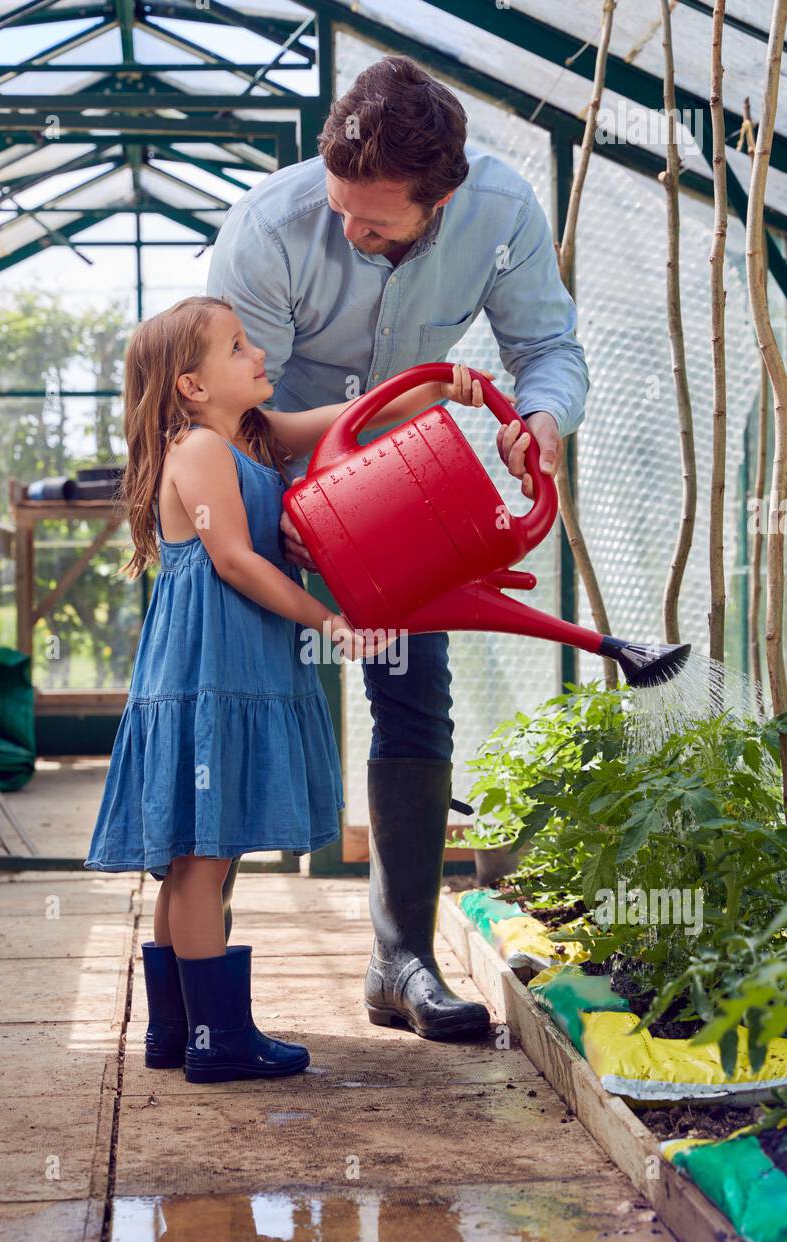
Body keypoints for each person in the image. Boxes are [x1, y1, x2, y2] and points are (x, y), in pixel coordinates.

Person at [205, 55, 590, 1042]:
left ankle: (399, 961)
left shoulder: (500, 213)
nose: (348, 229)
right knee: (238, 702)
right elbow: (227, 412)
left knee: (412, 689)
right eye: (338, 207)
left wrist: (537, 420)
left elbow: (548, 349)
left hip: (394, 479)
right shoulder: (268, 226)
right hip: (264, 467)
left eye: (373, 219)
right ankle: (201, 976)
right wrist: (327, 462)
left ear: (442, 195)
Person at [84, 293, 493, 1081]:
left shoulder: (255, 438)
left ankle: (176, 1033)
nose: (258, 355)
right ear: (192, 387)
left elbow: (357, 417)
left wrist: (441, 386)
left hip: (234, 665)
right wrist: (327, 620)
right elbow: (234, 560)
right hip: (209, 672)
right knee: (201, 858)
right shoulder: (198, 451)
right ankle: (220, 1040)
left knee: (196, 858)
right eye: (238, 348)